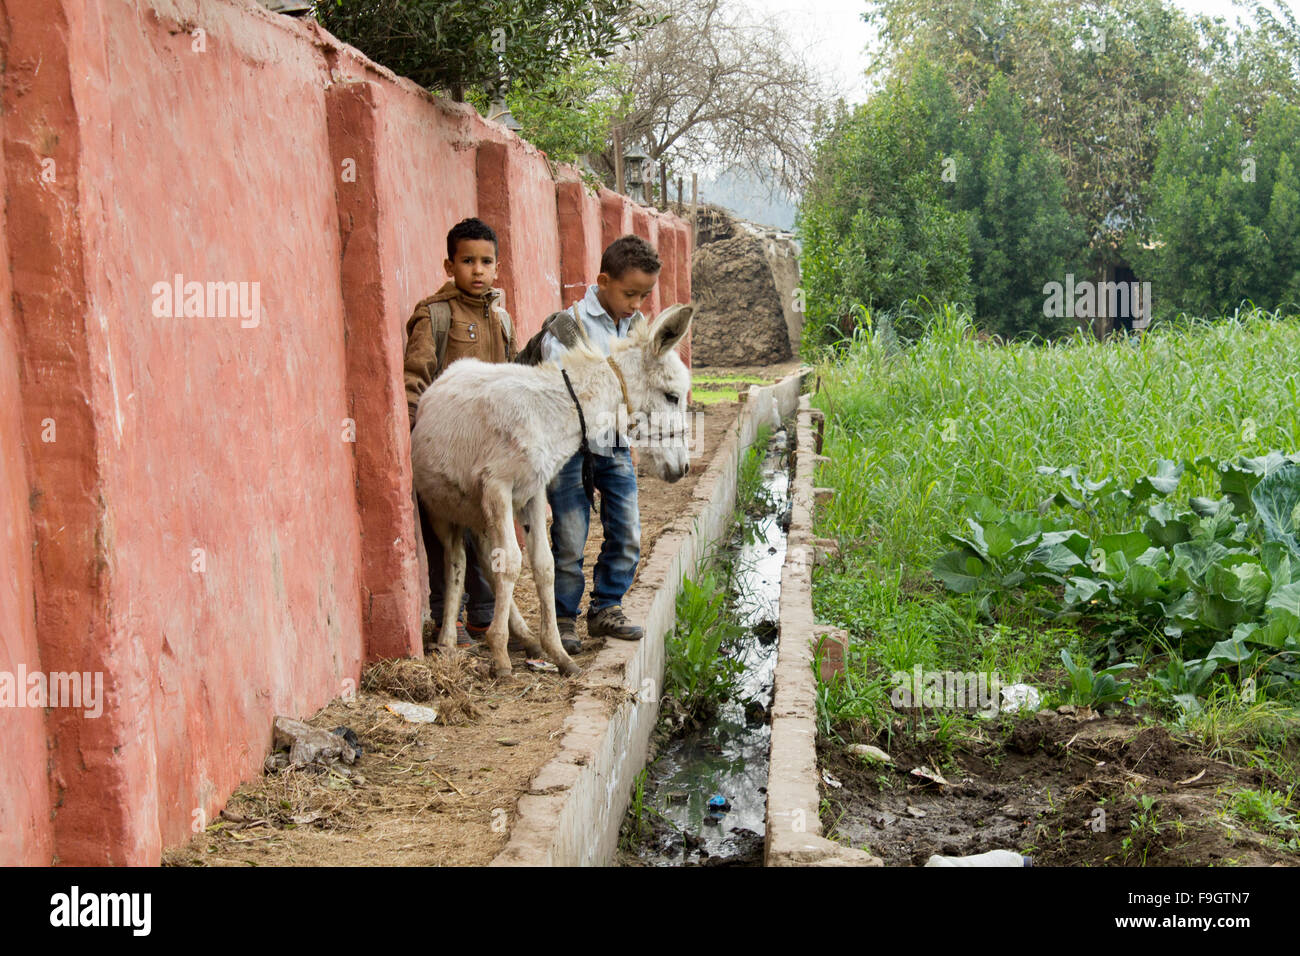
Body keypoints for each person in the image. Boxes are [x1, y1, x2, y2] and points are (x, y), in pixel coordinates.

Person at [537, 234, 661, 654]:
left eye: (644, 296)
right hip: (570, 445)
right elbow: (560, 388)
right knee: (570, 536)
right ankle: (561, 618)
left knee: (626, 528)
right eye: (630, 294)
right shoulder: (568, 327)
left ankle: (606, 606)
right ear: (602, 280)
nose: (637, 304)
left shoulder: (637, 326)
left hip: (615, 441)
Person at [404, 217, 516, 648]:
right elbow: (415, 379)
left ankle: (485, 619)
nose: (477, 270)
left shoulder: (501, 319)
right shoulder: (434, 315)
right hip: (446, 451)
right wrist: (418, 440)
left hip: (487, 452)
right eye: (467, 261)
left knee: (491, 530)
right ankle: (443, 620)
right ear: (449, 265)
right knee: (446, 538)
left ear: (497, 267)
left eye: (486, 261)